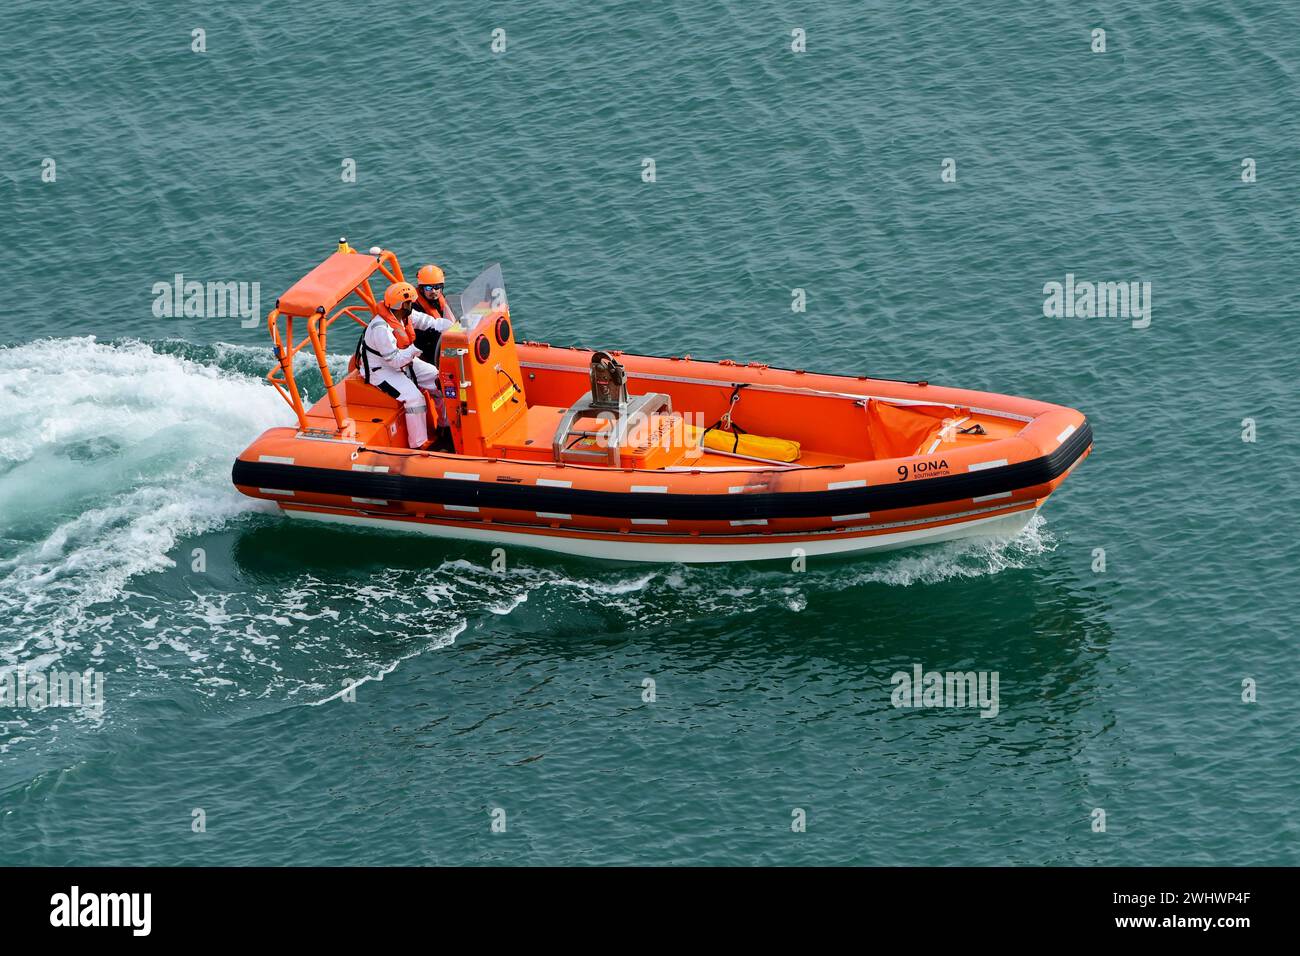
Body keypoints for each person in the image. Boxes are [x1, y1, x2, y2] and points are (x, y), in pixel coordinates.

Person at [361, 281, 455, 451]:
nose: (412, 304)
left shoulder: (406, 317)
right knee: (414, 399)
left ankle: (445, 425)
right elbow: (395, 361)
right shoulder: (380, 329)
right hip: (382, 370)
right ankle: (419, 445)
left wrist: (457, 326)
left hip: (403, 361)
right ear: (400, 305)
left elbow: (431, 323)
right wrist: (417, 348)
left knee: (438, 380)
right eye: (409, 302)